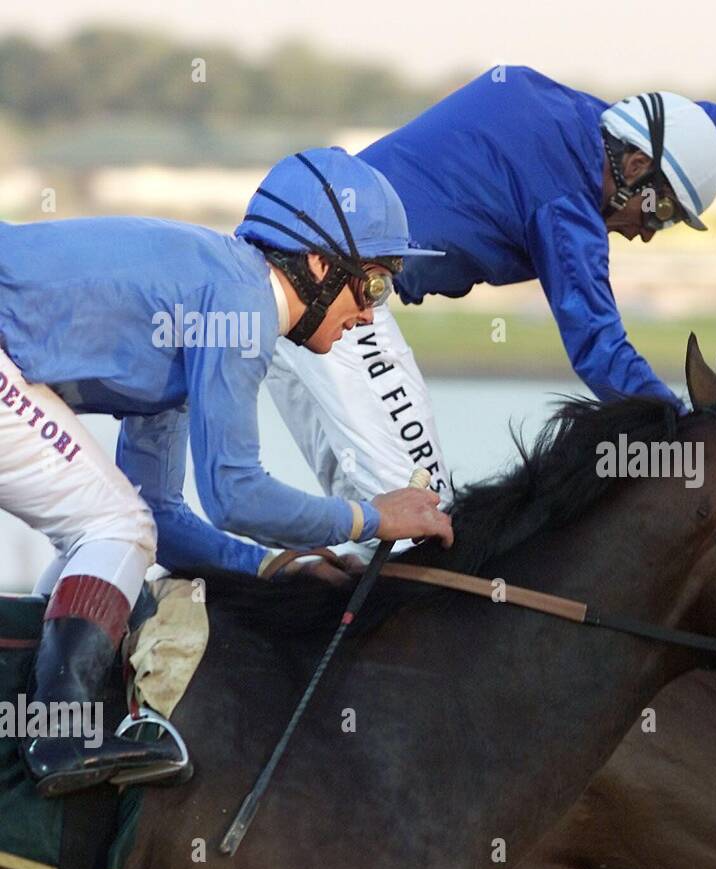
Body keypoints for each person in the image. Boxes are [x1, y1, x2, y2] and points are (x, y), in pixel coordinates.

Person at [0, 147, 452, 796]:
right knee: (112, 526)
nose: (372, 313)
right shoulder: (244, 307)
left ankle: (36, 704)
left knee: (119, 526)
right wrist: (373, 516)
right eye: (374, 283)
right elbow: (236, 494)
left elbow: (161, 509)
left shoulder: (214, 295)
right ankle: (58, 736)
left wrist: (272, 566)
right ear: (320, 264)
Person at [265, 65, 716, 510]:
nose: (647, 233)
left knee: (376, 526)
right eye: (661, 211)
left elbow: (674, 123)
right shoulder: (567, 209)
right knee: (422, 516)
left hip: (283, 281)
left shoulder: (580, 117)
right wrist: (695, 431)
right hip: (337, 300)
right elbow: (600, 351)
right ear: (636, 167)